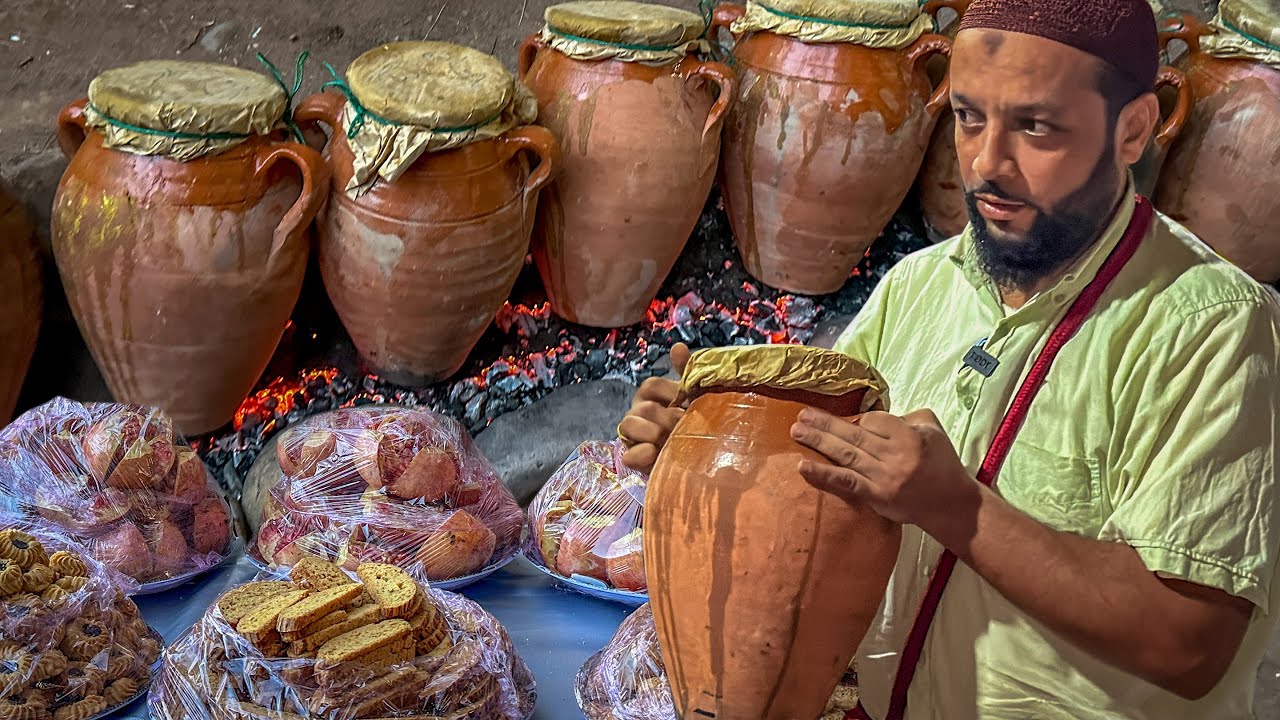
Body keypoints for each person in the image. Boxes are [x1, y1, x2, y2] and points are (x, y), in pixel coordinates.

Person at [616, 0, 1280, 717]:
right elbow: (812, 489)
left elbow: (1189, 643)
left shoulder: (1212, 325)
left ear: (1133, 130)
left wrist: (957, 510)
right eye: (968, 118)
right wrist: (707, 443)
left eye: (1035, 126)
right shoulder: (919, 287)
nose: (987, 163)